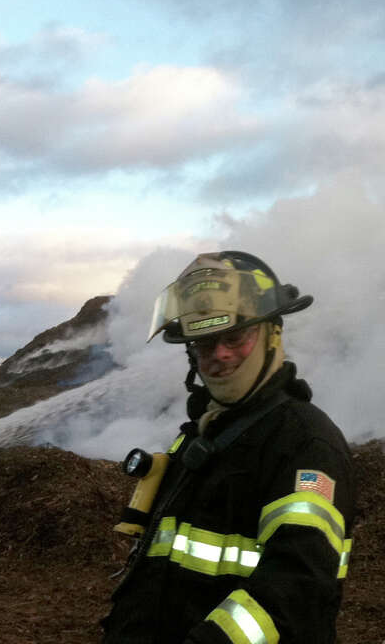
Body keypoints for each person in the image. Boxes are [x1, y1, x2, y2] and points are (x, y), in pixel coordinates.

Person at [102, 250, 355, 644]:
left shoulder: (306, 444)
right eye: (205, 343)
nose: (220, 354)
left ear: (271, 335)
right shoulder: (201, 435)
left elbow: (297, 589)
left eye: (235, 337)